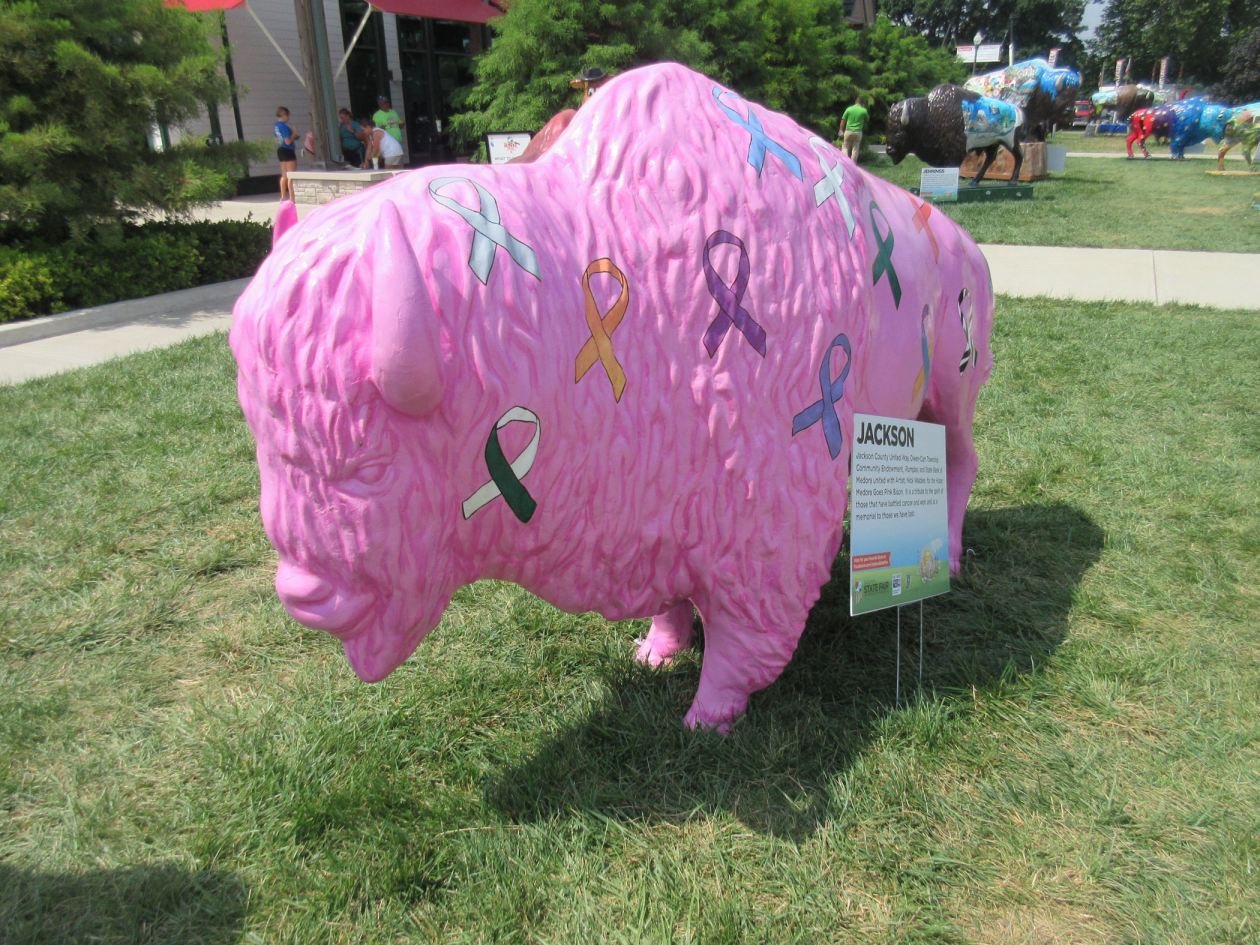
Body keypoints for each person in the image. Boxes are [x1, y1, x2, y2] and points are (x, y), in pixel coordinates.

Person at [273, 106, 298, 201]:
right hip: (288, 150)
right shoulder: (284, 126)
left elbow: (277, 139)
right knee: (291, 174)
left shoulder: (276, 126)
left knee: (284, 175)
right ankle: (292, 197)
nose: (288, 118)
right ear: (284, 115)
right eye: (288, 116)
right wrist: (294, 134)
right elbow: (288, 141)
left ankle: (283, 196)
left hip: (280, 149)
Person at [840, 96, 869, 161]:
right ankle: (852, 164)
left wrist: (841, 130)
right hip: (858, 132)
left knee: (845, 147)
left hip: (848, 131)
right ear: (863, 103)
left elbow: (843, 120)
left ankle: (845, 161)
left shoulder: (849, 109)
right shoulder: (864, 110)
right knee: (855, 149)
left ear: (856, 102)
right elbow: (867, 119)